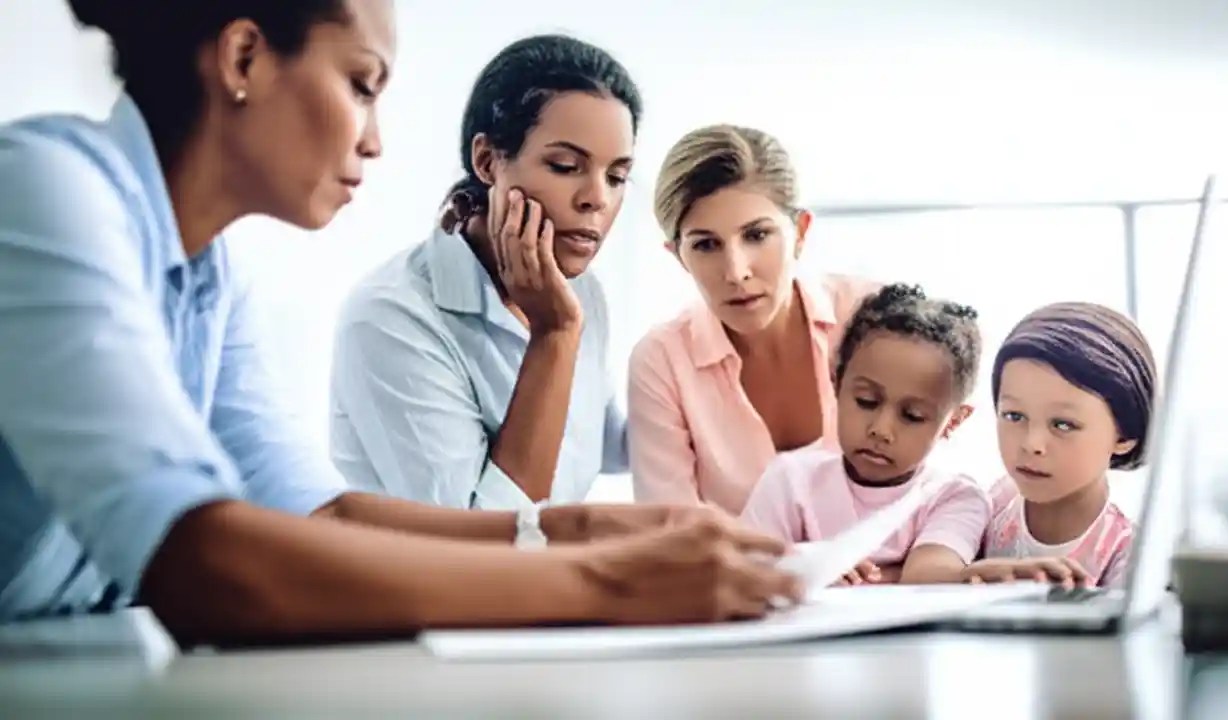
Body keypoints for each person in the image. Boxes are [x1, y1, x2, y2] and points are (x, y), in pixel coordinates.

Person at [0, 0, 800, 644]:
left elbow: (325, 514)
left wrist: (580, 527)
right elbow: (200, 562)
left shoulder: (208, 274)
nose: (376, 141)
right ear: (244, 58)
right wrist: (609, 580)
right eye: (361, 84)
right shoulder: (42, 189)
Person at [329, 34, 635, 510]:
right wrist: (555, 335)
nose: (596, 198)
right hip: (439, 584)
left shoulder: (580, 288)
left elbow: (598, 438)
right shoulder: (390, 318)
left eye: (616, 176)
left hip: (550, 579)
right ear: (487, 160)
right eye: (565, 165)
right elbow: (482, 540)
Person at [629, 124, 879, 514]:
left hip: (900, 571)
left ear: (799, 231)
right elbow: (667, 532)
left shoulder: (869, 317)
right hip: (735, 577)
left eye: (757, 235)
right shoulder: (662, 360)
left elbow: (933, 491)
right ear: (678, 255)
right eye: (706, 245)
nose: (736, 271)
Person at [740, 284, 991, 584]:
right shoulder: (789, 480)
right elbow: (741, 573)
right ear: (836, 381)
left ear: (953, 422)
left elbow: (928, 581)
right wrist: (807, 571)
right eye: (866, 401)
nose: (881, 430)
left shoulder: (953, 497)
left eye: (913, 416)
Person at [963, 302, 1157, 588]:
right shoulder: (985, 506)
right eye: (1014, 416)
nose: (1032, 444)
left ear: (1125, 436)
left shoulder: (1129, 552)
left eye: (1063, 425)